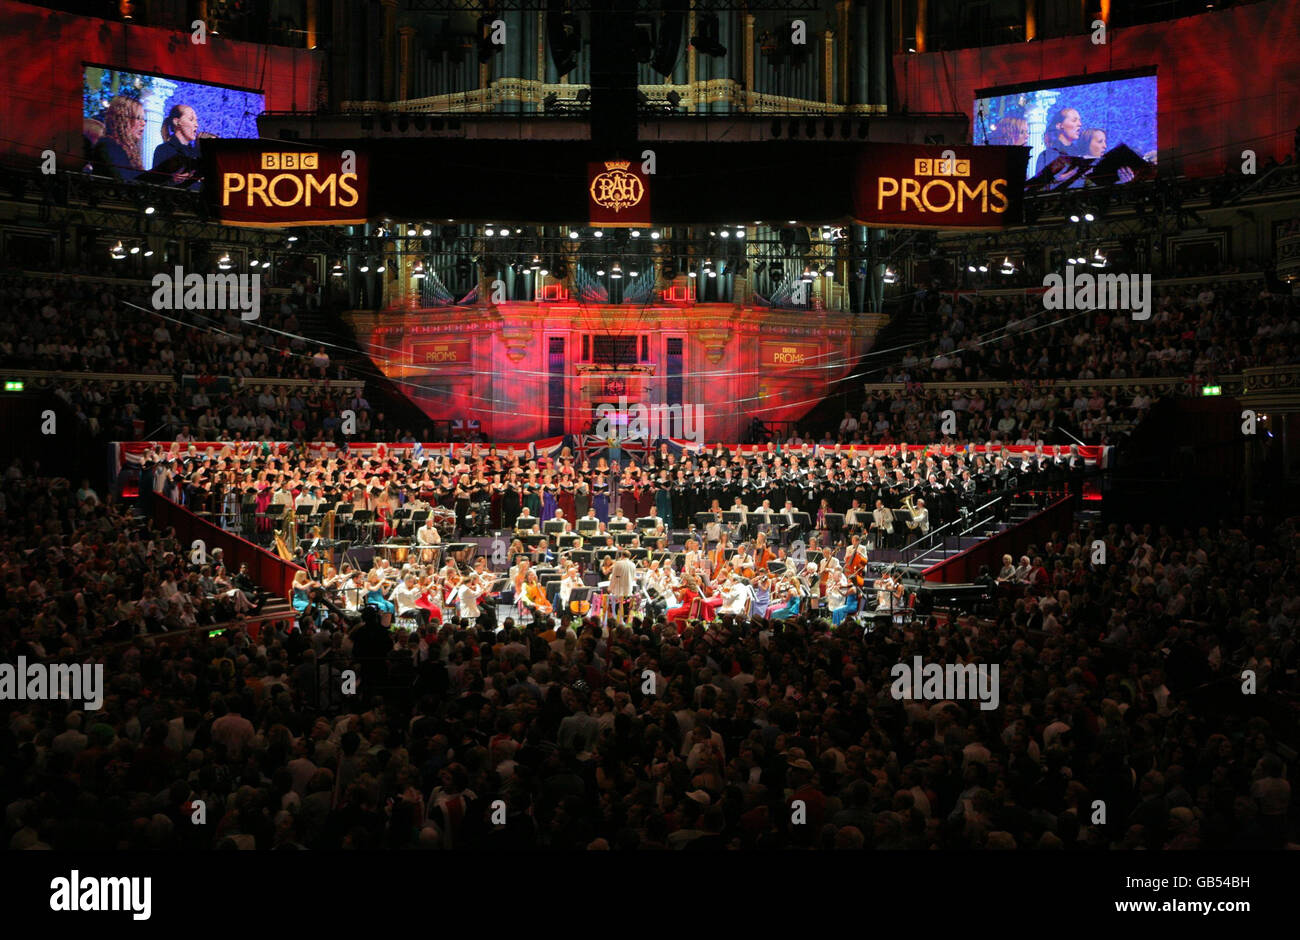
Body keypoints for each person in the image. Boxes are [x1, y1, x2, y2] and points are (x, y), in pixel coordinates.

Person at [90, 94, 146, 181]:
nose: (143, 123)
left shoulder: (129, 150)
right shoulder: (108, 146)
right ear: (123, 120)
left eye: (144, 119)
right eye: (138, 118)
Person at [151, 104, 201, 186]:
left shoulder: (195, 153)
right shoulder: (163, 150)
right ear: (177, 121)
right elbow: (154, 182)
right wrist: (172, 180)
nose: (196, 125)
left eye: (196, 120)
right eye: (191, 119)